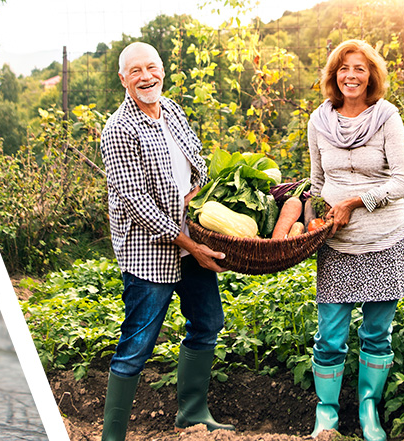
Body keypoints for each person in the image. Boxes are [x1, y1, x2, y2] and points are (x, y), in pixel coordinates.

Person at [98, 42, 235, 440]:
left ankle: (193, 415)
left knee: (207, 322)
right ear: (123, 79)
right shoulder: (118, 130)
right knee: (136, 346)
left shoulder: (172, 110)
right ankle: (112, 436)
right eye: (136, 71)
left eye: (152, 68)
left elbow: (198, 162)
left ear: (163, 70)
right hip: (149, 254)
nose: (146, 77)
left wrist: (197, 194)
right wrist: (190, 243)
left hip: (190, 241)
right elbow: (136, 202)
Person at [306, 39, 404, 441]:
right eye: (344, 68)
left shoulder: (387, 116)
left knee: (376, 333)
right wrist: (305, 220)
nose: (351, 75)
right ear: (334, 76)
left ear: (371, 75)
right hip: (337, 244)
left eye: (360, 68)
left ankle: (369, 411)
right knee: (330, 335)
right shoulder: (318, 121)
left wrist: (355, 201)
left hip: (386, 239)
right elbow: (318, 183)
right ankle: (327, 414)